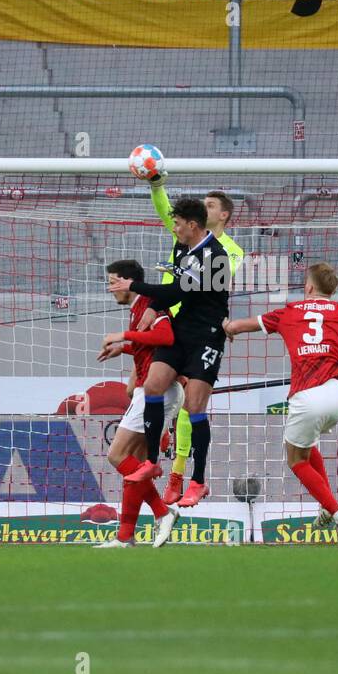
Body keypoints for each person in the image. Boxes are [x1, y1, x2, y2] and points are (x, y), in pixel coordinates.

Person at [224, 262, 338, 544]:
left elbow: (243, 325)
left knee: (295, 459)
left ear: (309, 287)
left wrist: (228, 327)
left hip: (307, 394)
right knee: (308, 444)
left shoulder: (289, 312)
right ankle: (327, 507)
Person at [108, 197, 232, 507]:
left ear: (193, 225)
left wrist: (137, 286)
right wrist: (155, 307)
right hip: (183, 329)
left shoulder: (216, 256)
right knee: (152, 384)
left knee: (195, 406)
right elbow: (175, 287)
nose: (173, 227)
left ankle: (198, 481)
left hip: (208, 335)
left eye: (177, 223)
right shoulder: (181, 247)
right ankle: (151, 461)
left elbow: (178, 290)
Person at [147, 178, 244, 504]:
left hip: (202, 331)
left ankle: (181, 475)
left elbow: (198, 287)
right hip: (170, 324)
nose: (205, 206)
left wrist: (147, 293)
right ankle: (154, 453)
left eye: (211, 204)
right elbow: (166, 213)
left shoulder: (227, 251)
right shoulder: (181, 239)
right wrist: (155, 186)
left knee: (193, 404)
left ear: (223, 216)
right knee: (144, 384)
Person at [94, 259, 181, 548]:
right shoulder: (138, 308)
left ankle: (162, 511)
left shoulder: (149, 304)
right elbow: (150, 342)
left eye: (112, 281)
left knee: (117, 456)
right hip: (153, 390)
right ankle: (125, 536)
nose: (110, 288)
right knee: (135, 467)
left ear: (127, 281)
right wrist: (126, 348)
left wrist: (125, 336)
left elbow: (166, 336)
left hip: (155, 391)